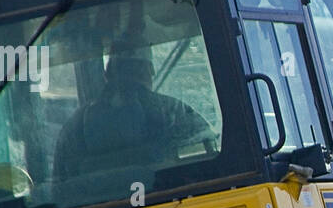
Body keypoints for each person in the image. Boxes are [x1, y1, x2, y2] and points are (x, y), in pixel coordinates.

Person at [53, 53, 215, 182]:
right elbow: (210, 161)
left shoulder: (73, 129)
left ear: (107, 75)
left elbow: (58, 186)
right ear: (149, 71)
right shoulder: (175, 112)